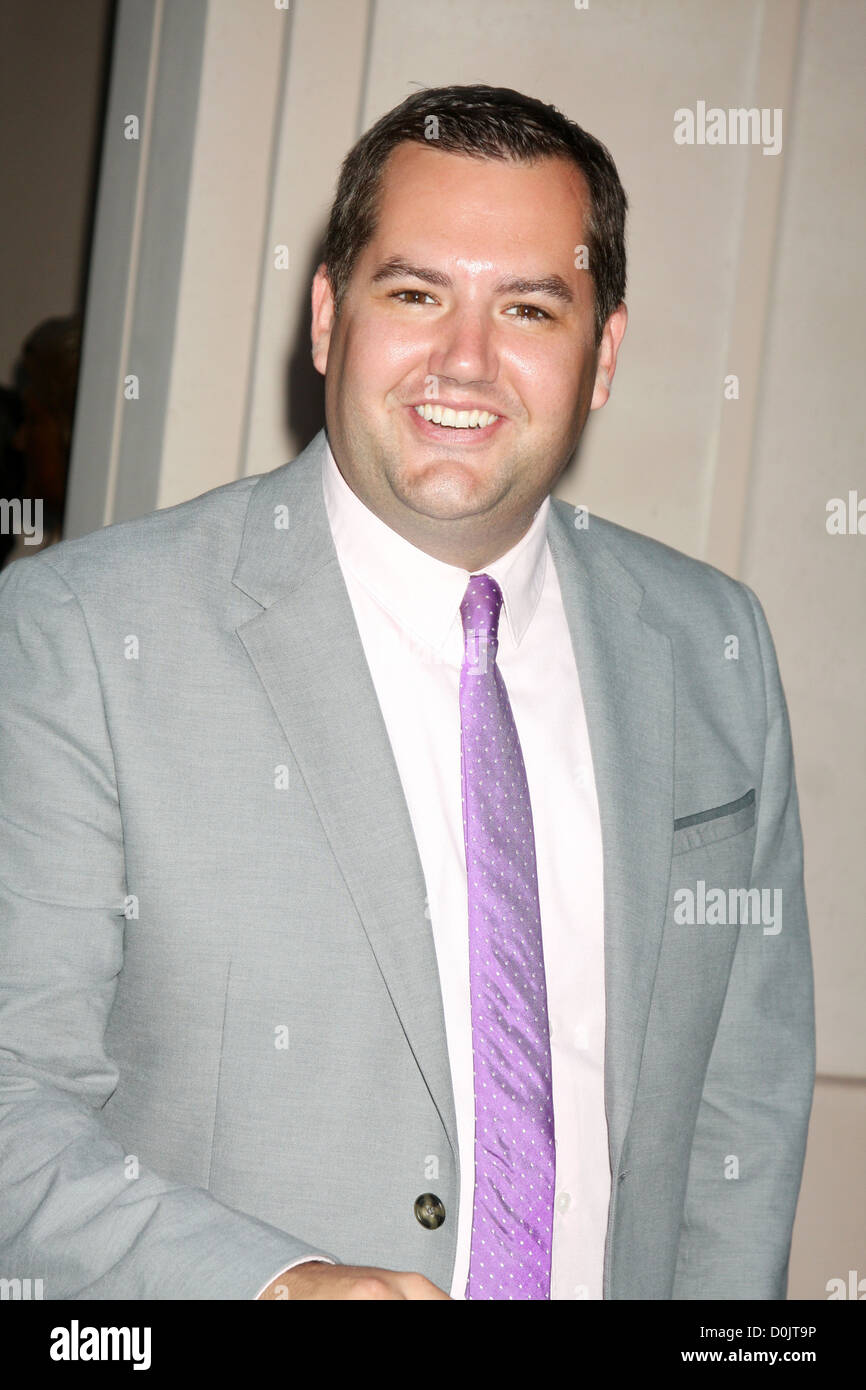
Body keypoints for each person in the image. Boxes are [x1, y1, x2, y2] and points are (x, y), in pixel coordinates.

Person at [0, 84, 814, 1301]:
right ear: (328, 317)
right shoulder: (79, 638)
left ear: (601, 355)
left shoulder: (713, 650)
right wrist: (269, 1285)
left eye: (530, 307)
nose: (465, 361)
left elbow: (737, 1114)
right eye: (415, 292)